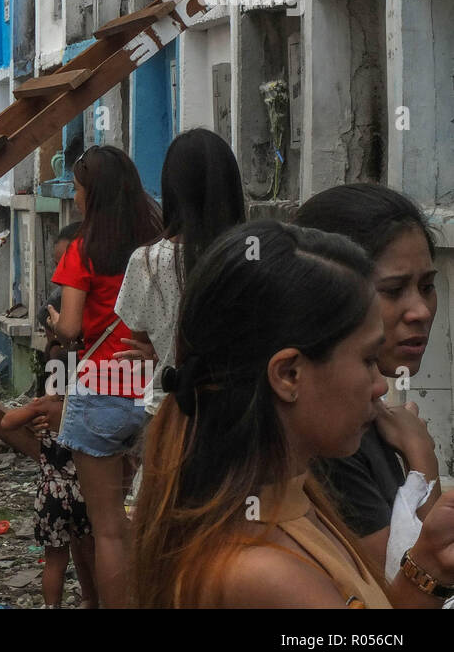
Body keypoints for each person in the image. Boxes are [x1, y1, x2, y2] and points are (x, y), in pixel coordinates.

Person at [134, 220, 454, 608]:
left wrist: (430, 566)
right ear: (288, 374)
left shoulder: (291, 496)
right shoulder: (263, 573)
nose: (381, 385)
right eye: (368, 359)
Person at [296, 183, 444, 566]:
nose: (421, 311)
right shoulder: (331, 437)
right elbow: (398, 593)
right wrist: (422, 462)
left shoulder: (362, 415)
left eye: (427, 286)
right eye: (394, 290)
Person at [45, 145, 160, 607]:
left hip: (101, 392)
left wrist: (54, 322)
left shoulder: (83, 248)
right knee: (148, 516)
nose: (74, 198)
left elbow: (72, 329)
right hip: (152, 387)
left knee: (108, 528)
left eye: (76, 189)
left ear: (92, 194)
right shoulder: (156, 242)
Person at [115, 129, 245, 413]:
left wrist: (162, 355)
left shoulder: (146, 260)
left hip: (172, 409)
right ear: (231, 186)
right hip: (242, 411)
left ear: (171, 189)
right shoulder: (251, 254)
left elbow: (140, 343)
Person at [1, 340, 97, 609]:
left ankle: (52, 606)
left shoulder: (45, 407)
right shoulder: (88, 406)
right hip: (83, 491)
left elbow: (6, 422)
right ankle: (95, 600)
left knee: (54, 560)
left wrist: (33, 412)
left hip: (50, 492)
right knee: (91, 552)